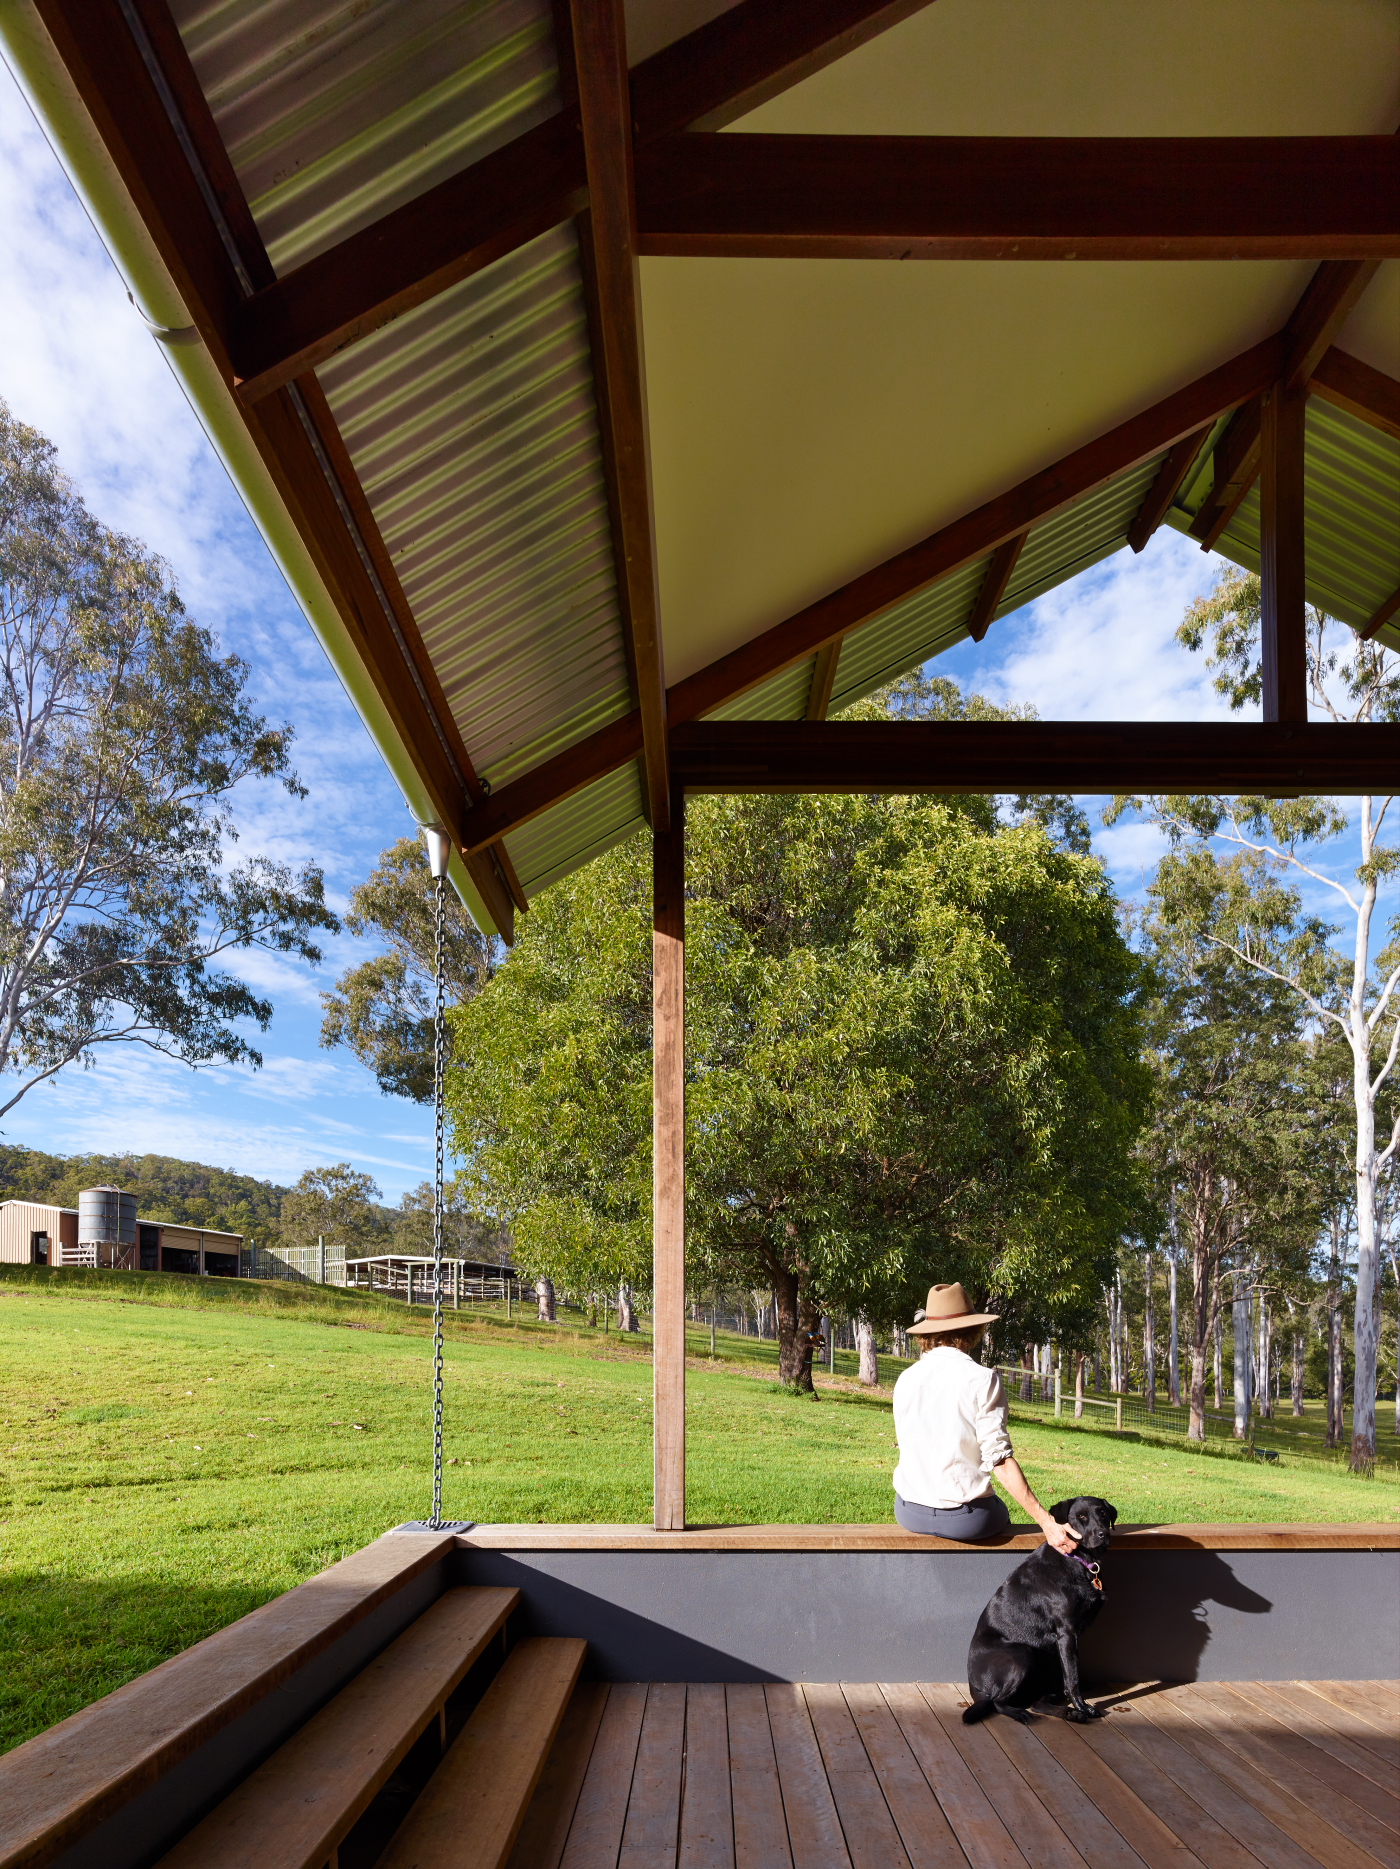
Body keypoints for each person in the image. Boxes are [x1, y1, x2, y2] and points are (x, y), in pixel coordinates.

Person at [891, 1282, 1080, 1551]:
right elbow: (999, 1460)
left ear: (928, 1332)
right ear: (973, 1329)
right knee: (997, 1511)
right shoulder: (982, 1379)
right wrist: (1047, 1523)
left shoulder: (906, 1378)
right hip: (964, 1520)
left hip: (909, 1511)